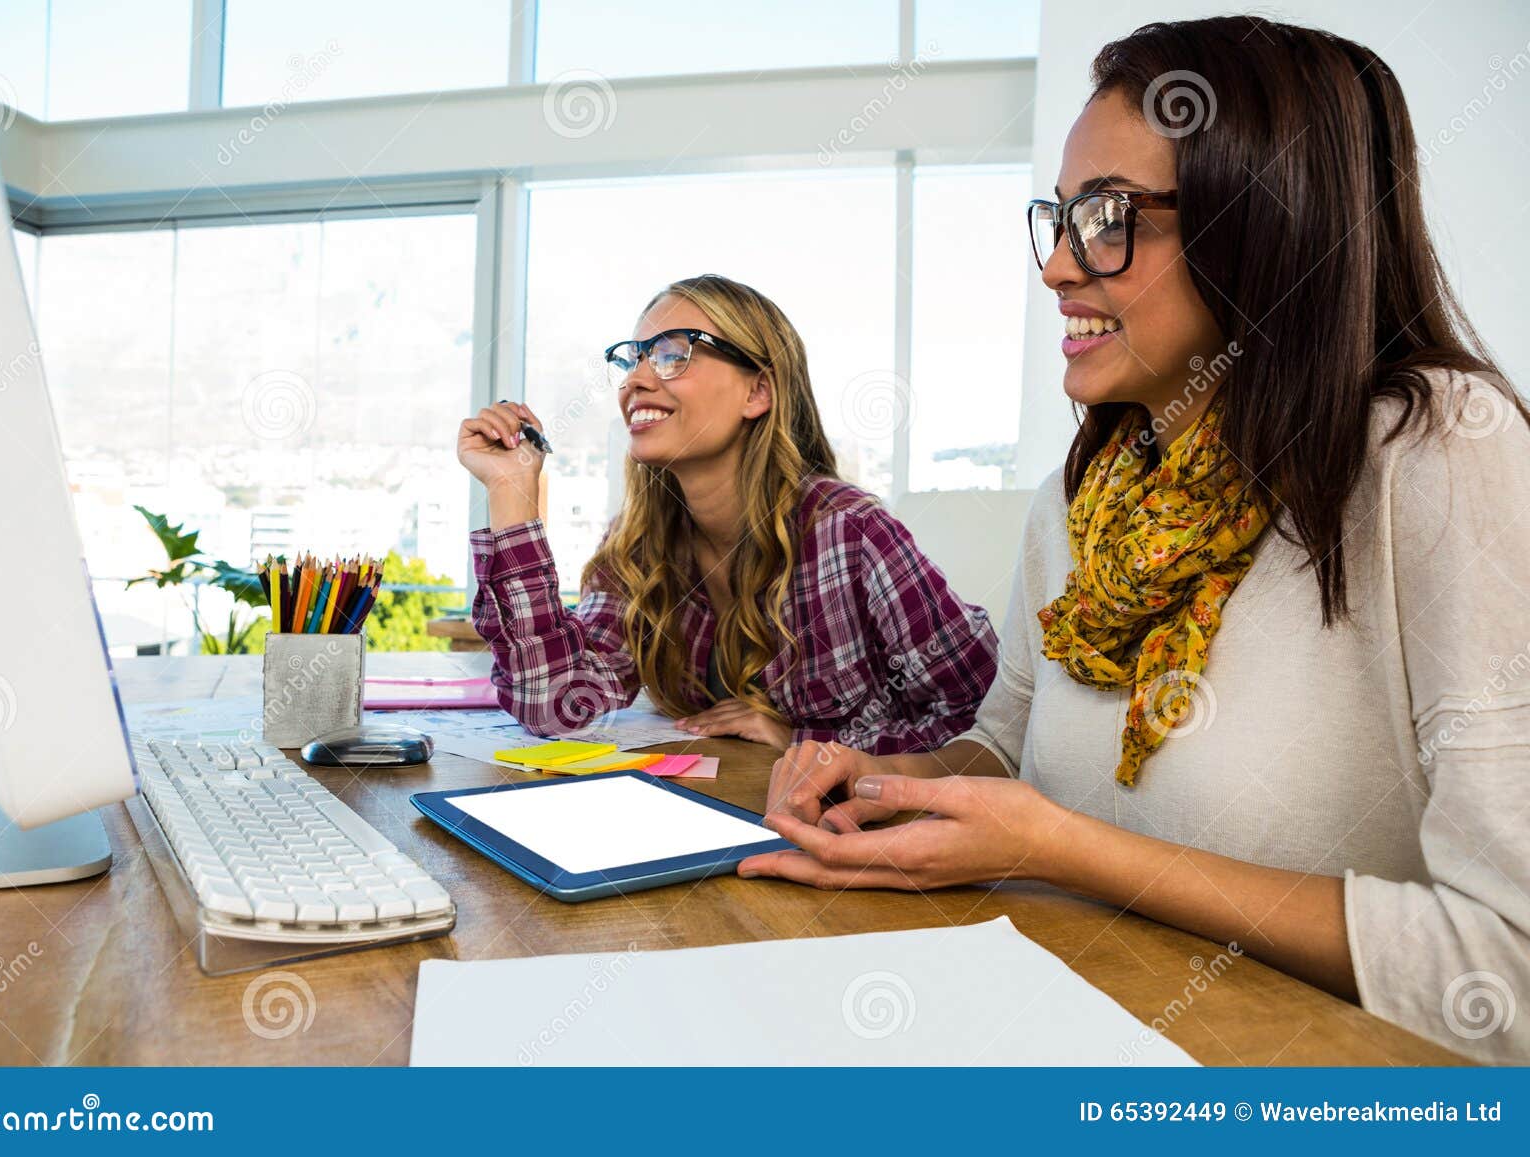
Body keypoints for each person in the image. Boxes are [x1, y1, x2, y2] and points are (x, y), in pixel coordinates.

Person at [743, 18, 1530, 1062]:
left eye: (1108, 215)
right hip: (1055, 1029)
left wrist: (1066, 849)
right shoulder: (1080, 490)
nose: (1059, 266)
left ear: (1269, 219)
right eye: (1058, 218)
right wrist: (885, 782)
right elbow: (1007, 747)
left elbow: (1505, 966)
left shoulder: (1434, 449)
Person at [457, 274, 998, 754]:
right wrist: (510, 490)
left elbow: (987, 729)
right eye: (633, 357)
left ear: (758, 391)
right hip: (719, 821)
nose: (634, 380)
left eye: (673, 353)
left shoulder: (849, 531)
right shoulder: (636, 543)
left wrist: (811, 742)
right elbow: (558, 705)